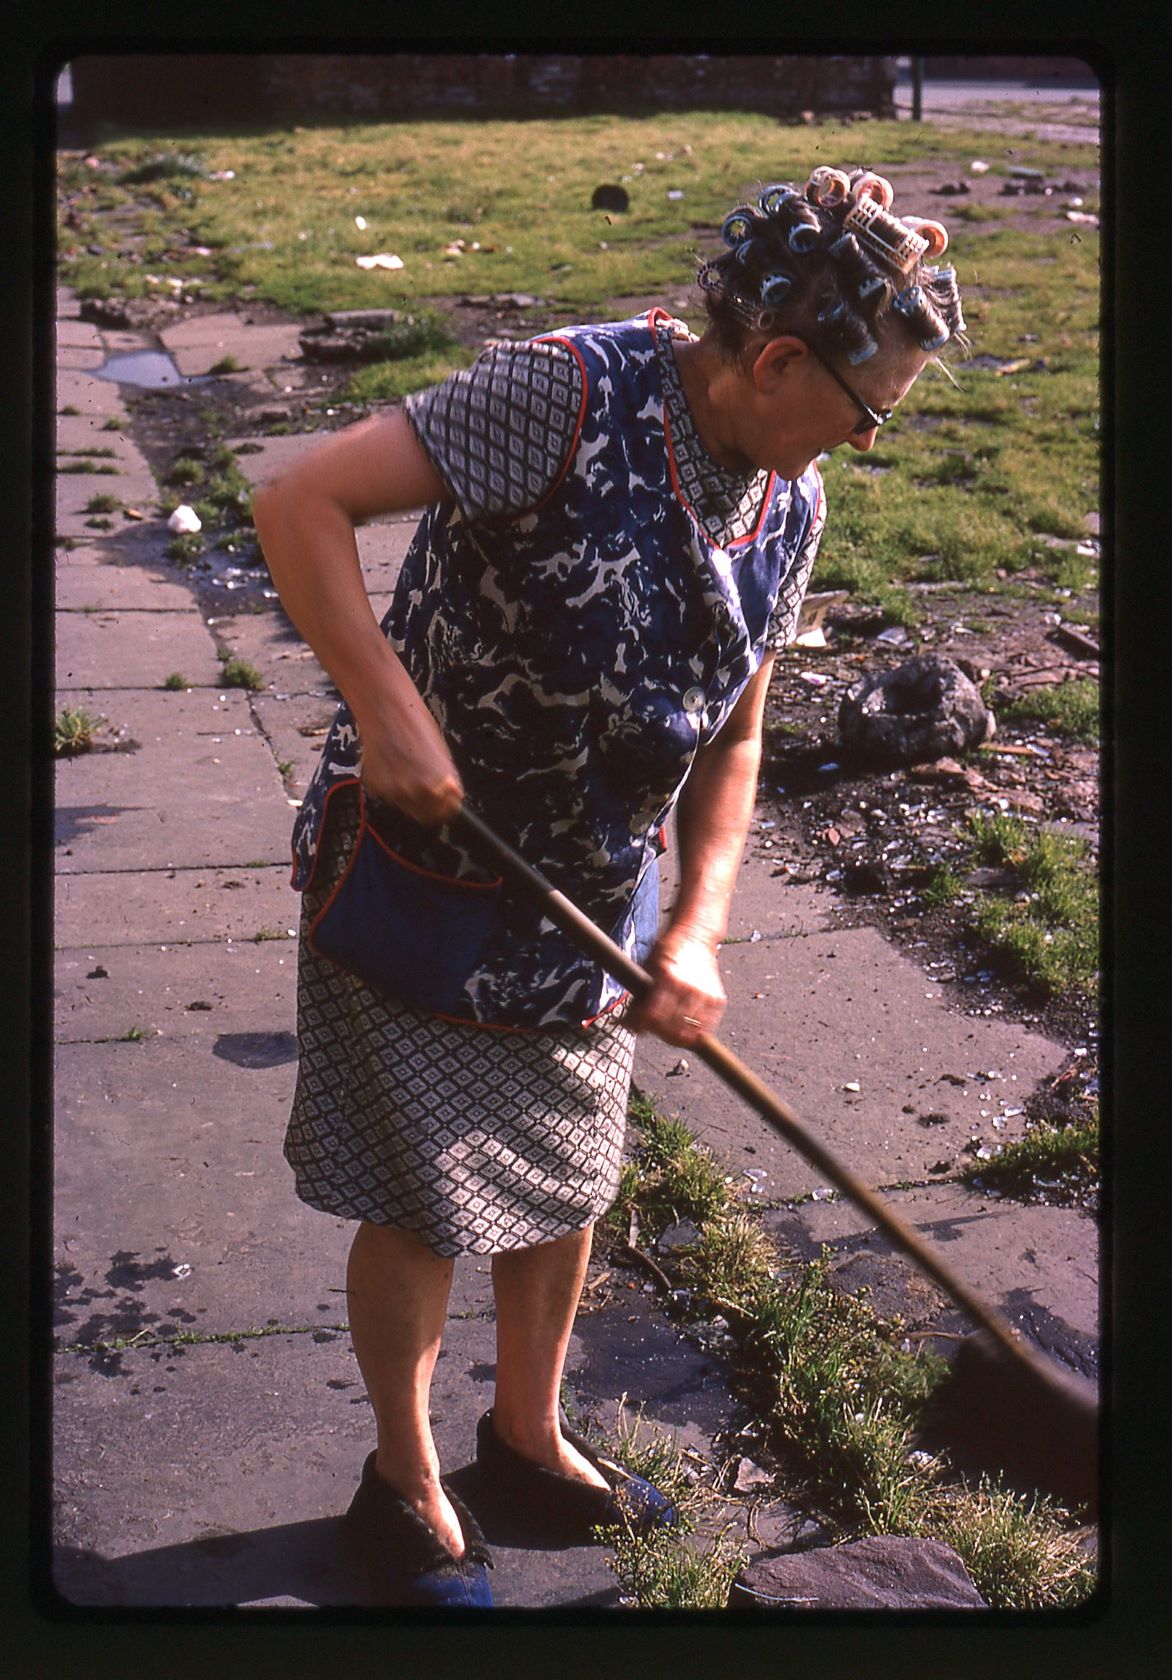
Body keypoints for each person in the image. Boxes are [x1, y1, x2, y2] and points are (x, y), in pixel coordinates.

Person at [252, 164, 966, 1607]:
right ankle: (401, 1485)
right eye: (866, 407)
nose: (866, 440)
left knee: (565, 1180)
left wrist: (696, 928)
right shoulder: (559, 399)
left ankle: (525, 1436)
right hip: (422, 871)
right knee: (424, 1194)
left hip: (592, 895)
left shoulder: (785, 499)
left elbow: (739, 731)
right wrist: (389, 713)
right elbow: (295, 497)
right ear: (775, 361)